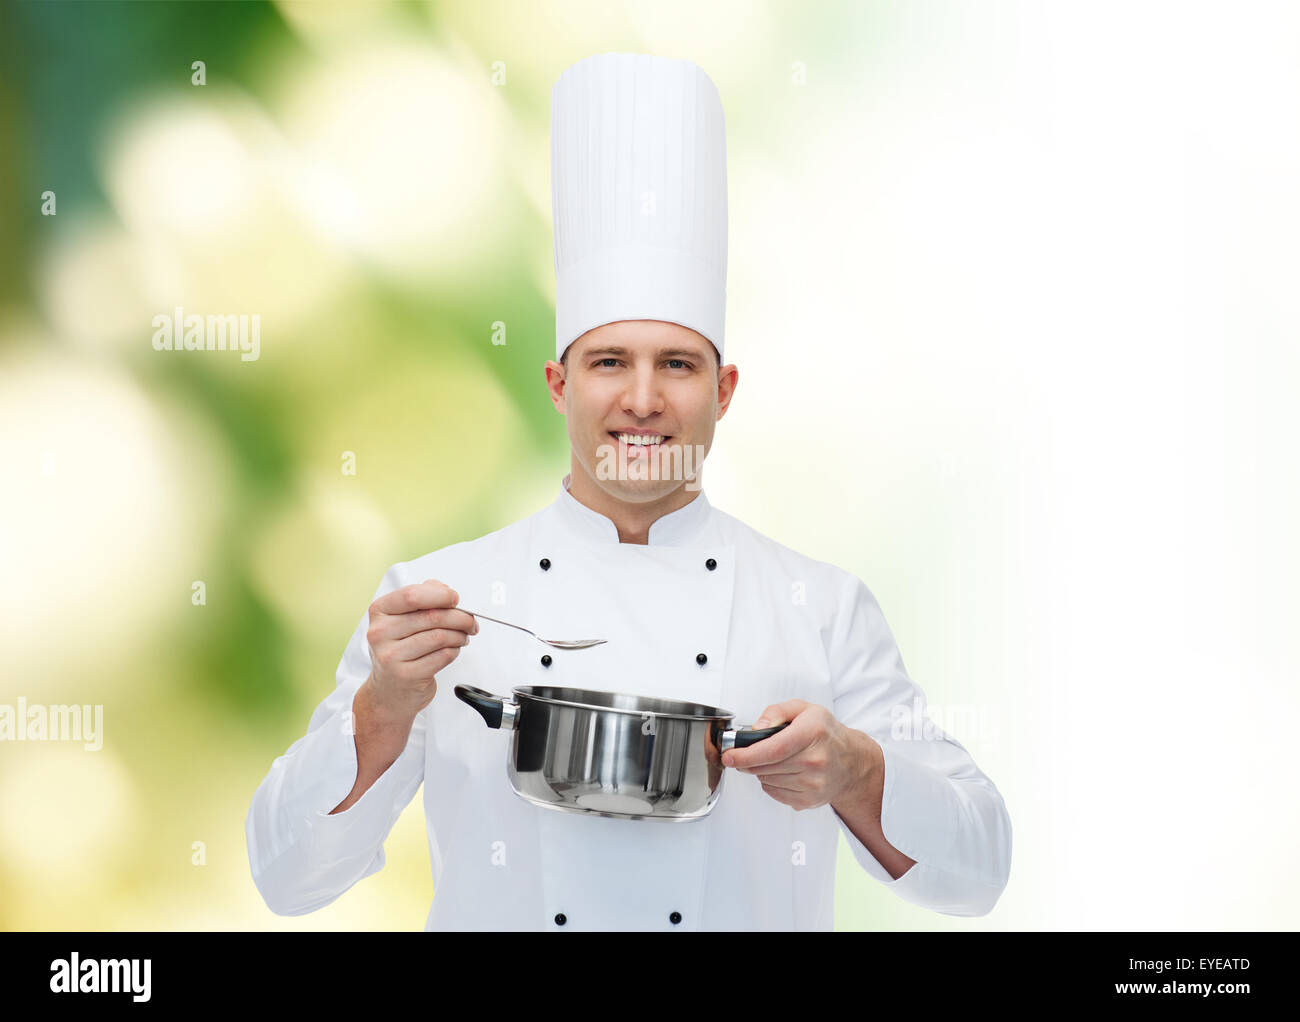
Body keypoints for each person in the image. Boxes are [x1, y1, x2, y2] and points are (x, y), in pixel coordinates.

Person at [245, 52, 1011, 931]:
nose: (642, 400)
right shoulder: (438, 606)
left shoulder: (822, 610)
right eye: (609, 362)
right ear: (559, 385)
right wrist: (380, 711)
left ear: (723, 391)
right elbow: (285, 880)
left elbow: (980, 870)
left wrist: (859, 773)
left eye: (677, 365)